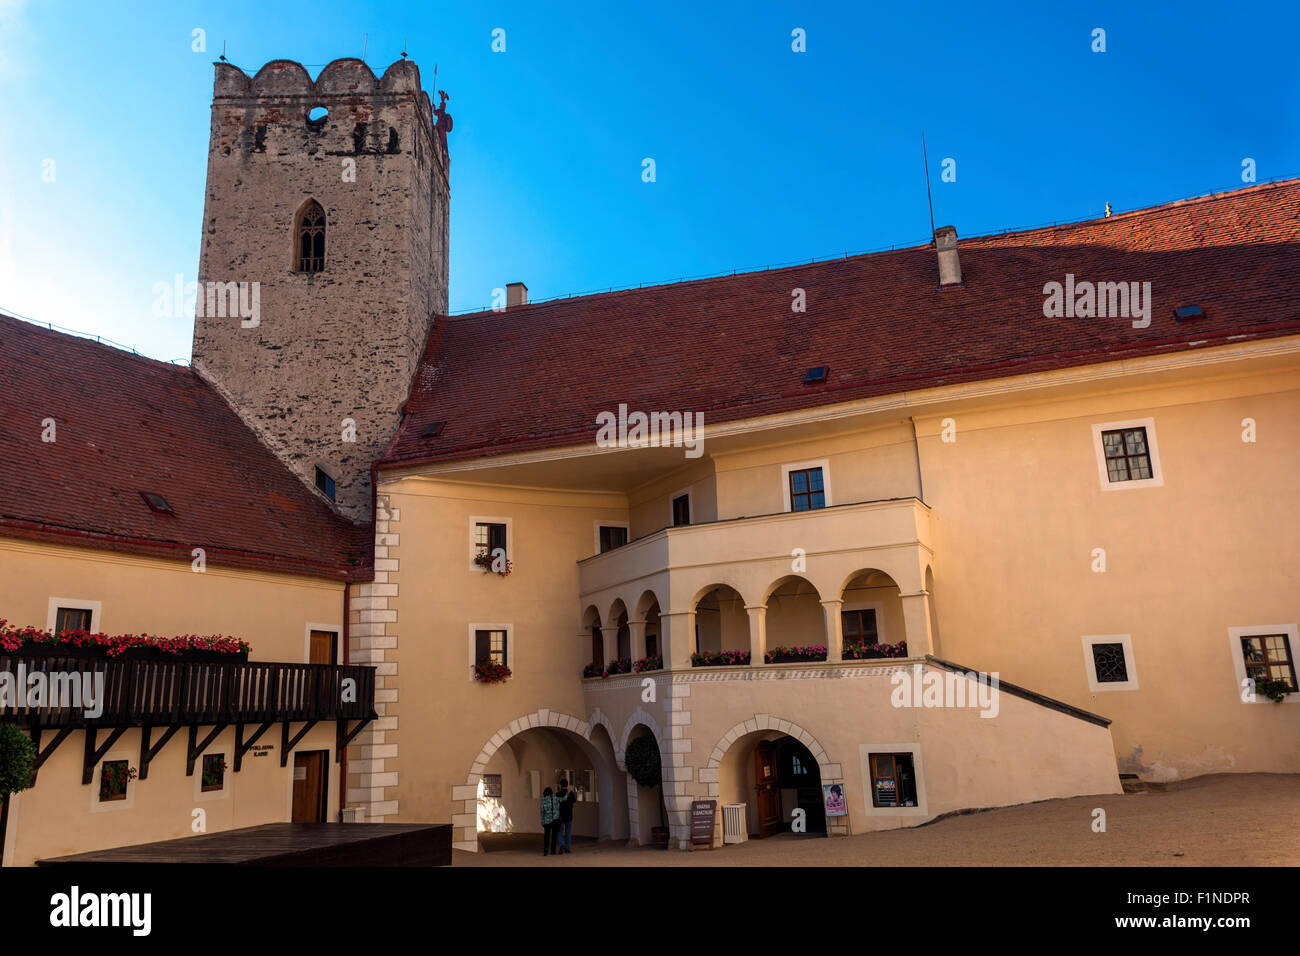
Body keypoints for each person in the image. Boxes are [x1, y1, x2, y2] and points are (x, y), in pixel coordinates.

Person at [556, 777, 577, 854]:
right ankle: (567, 848)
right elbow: (574, 804)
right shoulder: (571, 793)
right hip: (569, 815)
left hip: (560, 815)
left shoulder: (558, 794)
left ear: (560, 785)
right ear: (567, 785)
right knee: (568, 831)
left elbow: (556, 805)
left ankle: (562, 844)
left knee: (559, 831)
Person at [540, 786, 559, 856]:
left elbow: (542, 811)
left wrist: (542, 821)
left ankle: (545, 850)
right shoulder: (555, 799)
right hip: (554, 820)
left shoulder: (543, 800)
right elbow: (558, 807)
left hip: (547, 821)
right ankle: (553, 850)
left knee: (546, 836)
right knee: (554, 835)